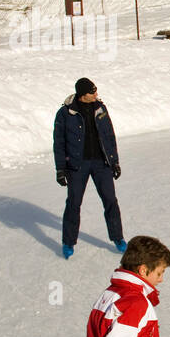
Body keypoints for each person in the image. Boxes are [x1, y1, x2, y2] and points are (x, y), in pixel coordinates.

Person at [54, 77, 125, 259]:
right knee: (74, 203)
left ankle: (118, 238)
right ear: (82, 95)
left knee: (110, 200)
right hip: (77, 165)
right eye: (92, 92)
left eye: (96, 91)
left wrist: (114, 161)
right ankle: (68, 242)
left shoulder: (100, 108)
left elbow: (109, 135)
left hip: (101, 163)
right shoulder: (65, 113)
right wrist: (61, 169)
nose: (96, 94)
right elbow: (59, 143)